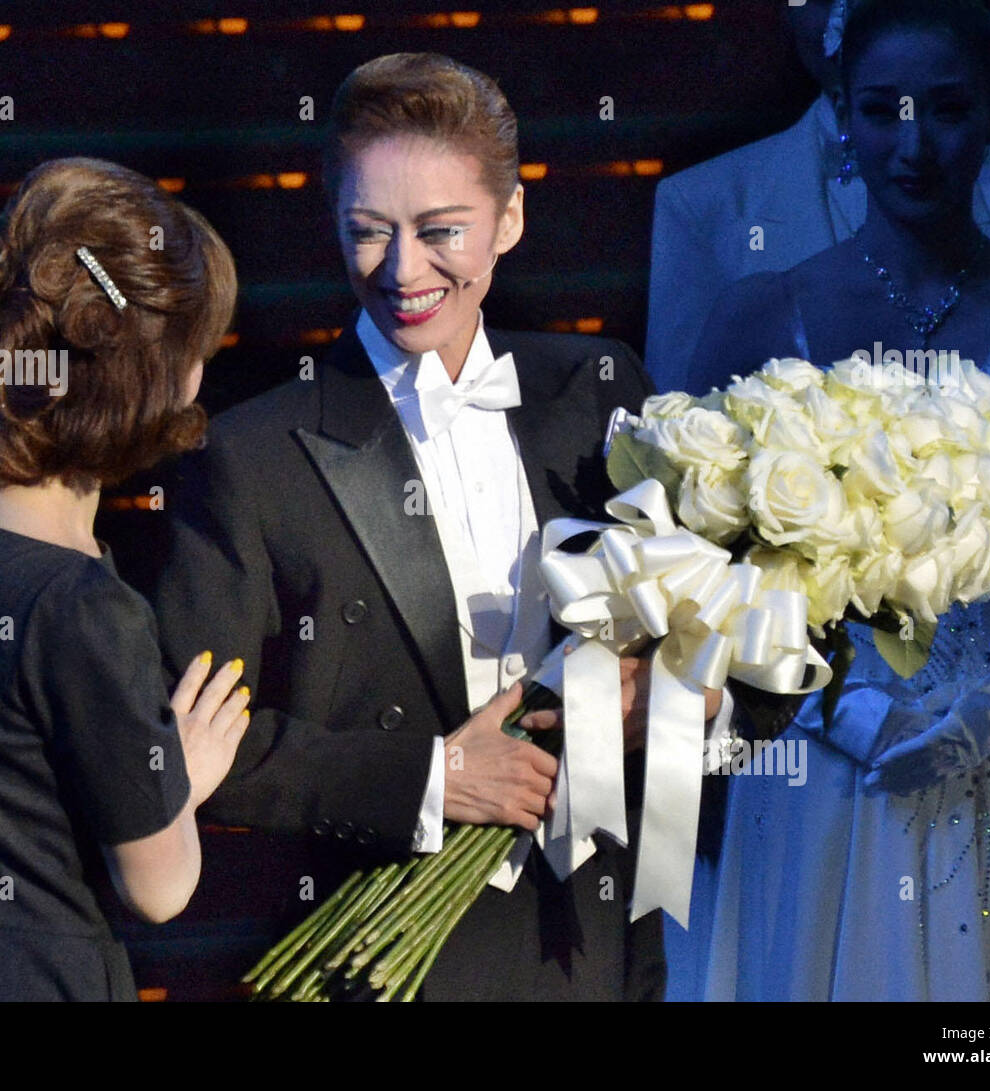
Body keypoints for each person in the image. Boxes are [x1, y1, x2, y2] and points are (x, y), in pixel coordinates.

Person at [147, 52, 735, 1001]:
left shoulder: (599, 392)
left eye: (441, 230)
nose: (403, 269)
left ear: (509, 220)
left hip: (594, 945)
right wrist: (432, 778)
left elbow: (735, 651)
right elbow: (198, 739)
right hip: (379, 960)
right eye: (369, 232)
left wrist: (683, 701)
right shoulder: (252, 455)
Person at [684, 0, 990, 1000]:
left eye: (947, 109)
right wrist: (840, 703)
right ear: (842, 114)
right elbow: (689, 567)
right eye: (882, 111)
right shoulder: (763, 311)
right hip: (819, 752)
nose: (914, 144)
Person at [0, 158, 249, 1001]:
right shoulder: (79, 605)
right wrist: (176, 770)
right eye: (195, 353)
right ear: (151, 381)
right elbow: (158, 887)